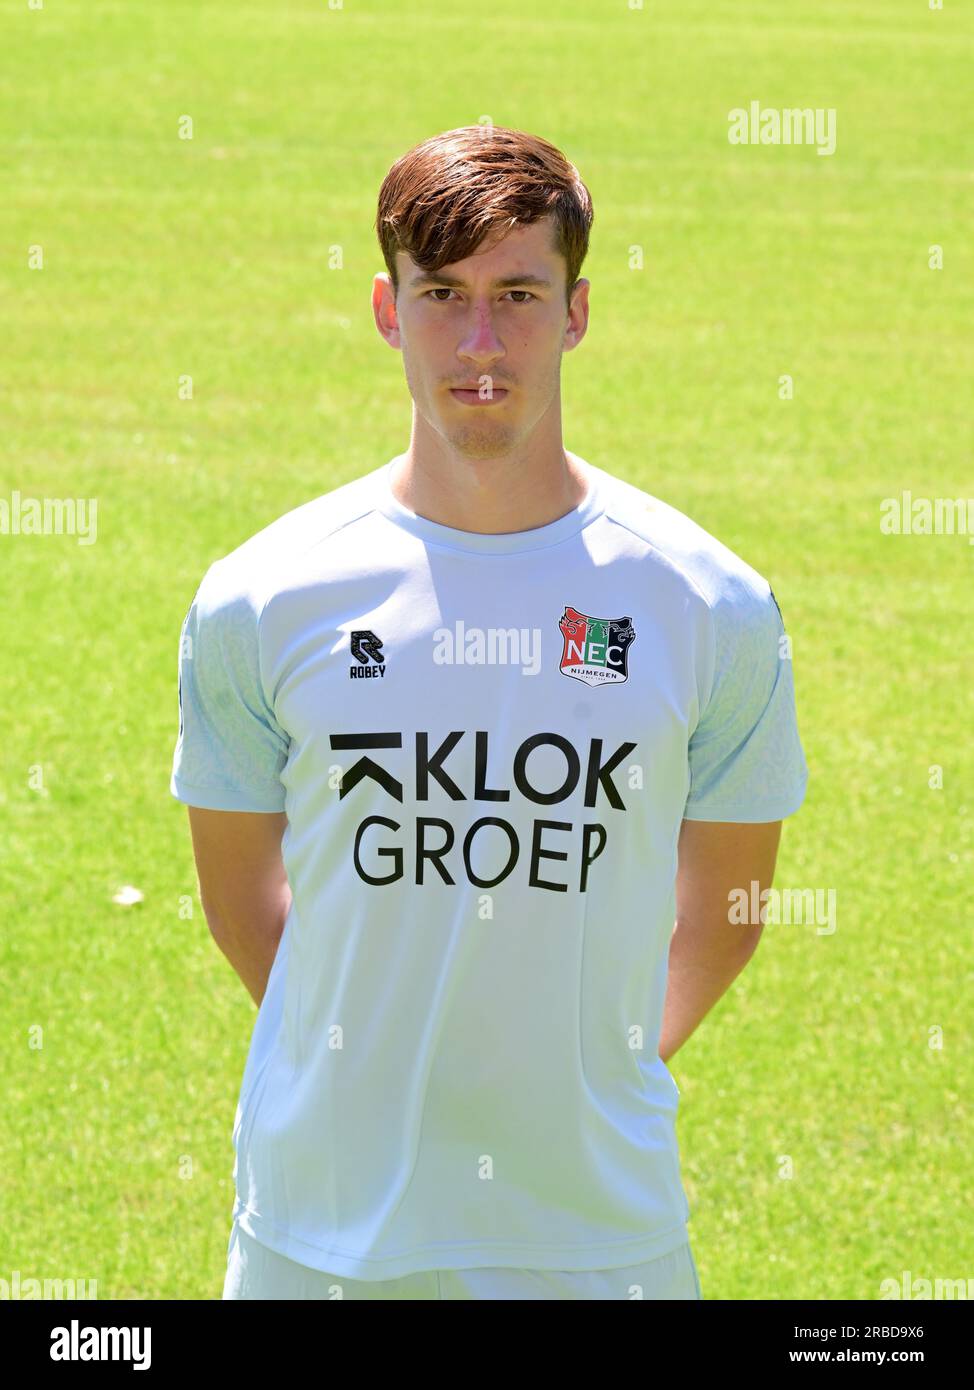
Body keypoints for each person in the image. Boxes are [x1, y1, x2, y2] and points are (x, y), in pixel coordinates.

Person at [170, 125, 809, 1301]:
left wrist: (578, 1067)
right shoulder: (261, 598)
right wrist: (374, 1046)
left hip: (596, 1236)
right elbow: (239, 905)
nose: (478, 342)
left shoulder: (706, 601)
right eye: (441, 295)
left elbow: (727, 910)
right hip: (320, 1233)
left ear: (575, 311)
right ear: (384, 307)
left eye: (517, 294)